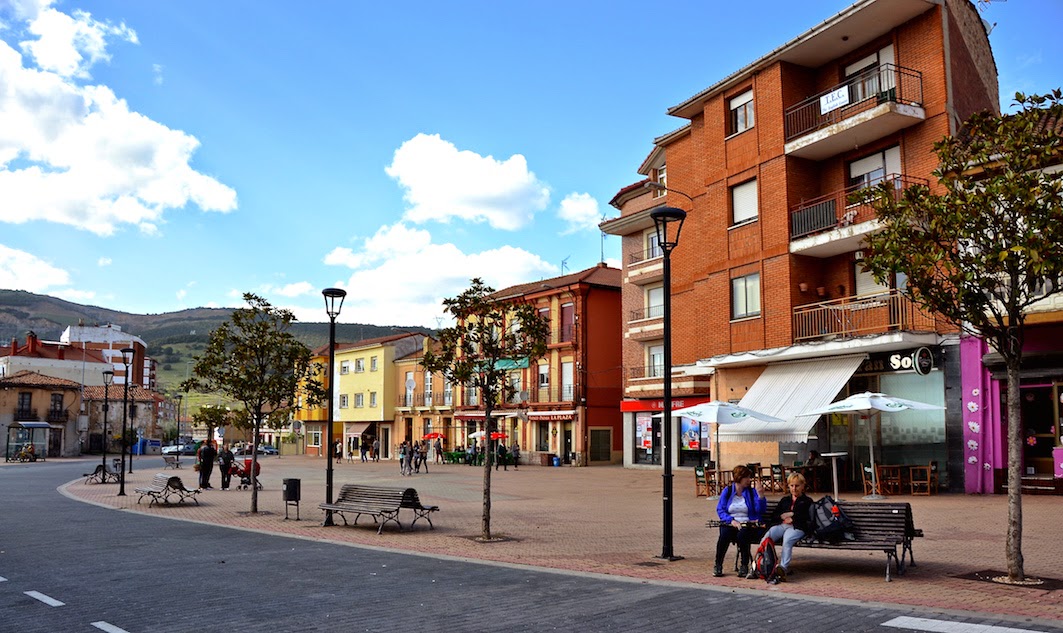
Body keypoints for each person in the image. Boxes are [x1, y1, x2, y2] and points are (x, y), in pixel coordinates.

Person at [713, 464, 766, 578]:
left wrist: (761, 496)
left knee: (743, 534)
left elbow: (760, 510)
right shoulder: (728, 491)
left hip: (748, 524)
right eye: (746, 477)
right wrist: (731, 520)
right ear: (738, 478)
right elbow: (720, 510)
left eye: (749, 477)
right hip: (731, 523)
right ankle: (718, 564)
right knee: (724, 534)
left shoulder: (751, 493)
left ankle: (744, 565)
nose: (749, 480)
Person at [759, 472, 812, 580]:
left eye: (797, 486)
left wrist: (793, 515)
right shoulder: (785, 500)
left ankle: (783, 568)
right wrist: (783, 517)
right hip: (782, 525)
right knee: (768, 536)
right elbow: (775, 515)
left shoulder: (807, 501)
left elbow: (807, 517)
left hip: (796, 527)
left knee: (787, 540)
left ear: (803, 486)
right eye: (792, 485)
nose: (794, 488)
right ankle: (763, 563)